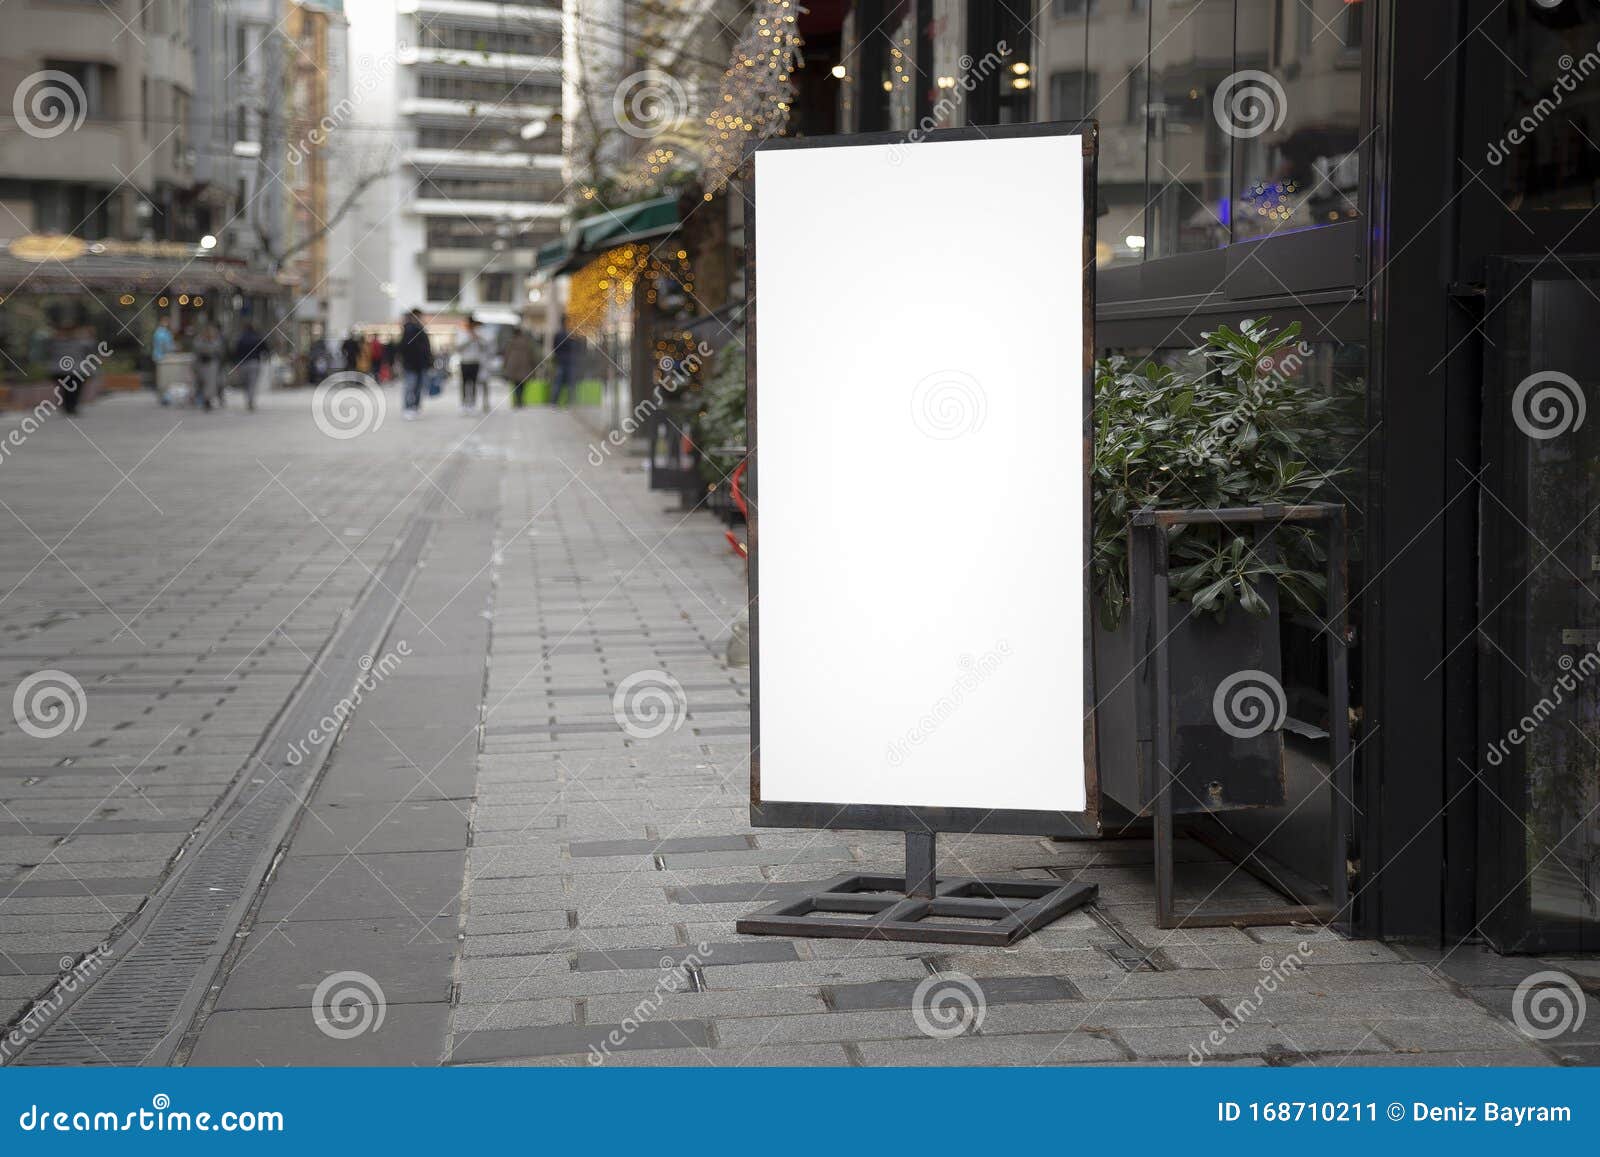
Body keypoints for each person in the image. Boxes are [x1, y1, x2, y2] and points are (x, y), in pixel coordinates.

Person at [398, 309, 432, 419]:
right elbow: (404, 348)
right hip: (411, 364)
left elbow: (426, 348)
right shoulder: (409, 329)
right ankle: (408, 407)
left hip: (420, 364)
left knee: (418, 387)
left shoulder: (420, 329)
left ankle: (415, 407)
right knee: (410, 386)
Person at [231, 321, 267, 411]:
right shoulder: (257, 338)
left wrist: (235, 363)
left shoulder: (240, 339)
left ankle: (248, 398)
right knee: (252, 383)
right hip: (254, 363)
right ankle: (250, 400)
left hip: (243, 363)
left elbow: (235, 352)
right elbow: (265, 349)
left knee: (245, 383)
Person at [500, 325, 537, 409]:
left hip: (513, 366)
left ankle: (517, 401)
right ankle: (521, 401)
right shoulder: (527, 342)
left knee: (516, 384)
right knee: (523, 385)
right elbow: (532, 355)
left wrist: (504, 366)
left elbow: (506, 355)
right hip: (524, 366)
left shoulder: (511, 342)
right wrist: (534, 365)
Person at [456, 317, 487, 415]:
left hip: (475, 362)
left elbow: (484, 346)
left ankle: (472, 404)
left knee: (474, 383)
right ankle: (464, 403)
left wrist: (478, 338)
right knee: (464, 384)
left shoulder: (479, 333)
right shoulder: (462, 333)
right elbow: (458, 347)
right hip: (465, 362)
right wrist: (469, 338)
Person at [193, 322, 224, 410]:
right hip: (201, 364)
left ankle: (207, 400)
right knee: (201, 382)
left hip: (211, 364)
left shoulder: (216, 341)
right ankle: (203, 399)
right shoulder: (199, 340)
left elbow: (218, 350)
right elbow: (197, 350)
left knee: (210, 383)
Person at [550, 324, 578, 408]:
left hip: (561, 361)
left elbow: (554, 348)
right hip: (569, 361)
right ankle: (570, 401)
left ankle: (554, 401)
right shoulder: (572, 335)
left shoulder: (559, 334)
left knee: (558, 383)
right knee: (570, 383)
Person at [151, 319, 174, 405]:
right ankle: (165, 397)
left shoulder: (157, 332)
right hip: (163, 359)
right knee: (165, 379)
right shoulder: (163, 333)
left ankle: (161, 396)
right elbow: (166, 346)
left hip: (158, 358)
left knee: (160, 378)